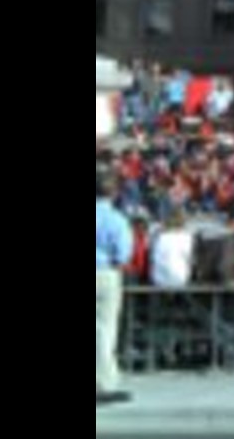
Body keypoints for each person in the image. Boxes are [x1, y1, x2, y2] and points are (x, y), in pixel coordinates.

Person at [97, 171, 135, 406]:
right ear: (113, 192)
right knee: (105, 328)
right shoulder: (117, 219)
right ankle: (104, 382)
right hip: (106, 272)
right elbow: (123, 255)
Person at [149, 210, 196, 289]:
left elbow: (153, 258)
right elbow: (191, 259)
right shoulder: (187, 237)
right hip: (180, 279)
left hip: (158, 279)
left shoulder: (159, 237)